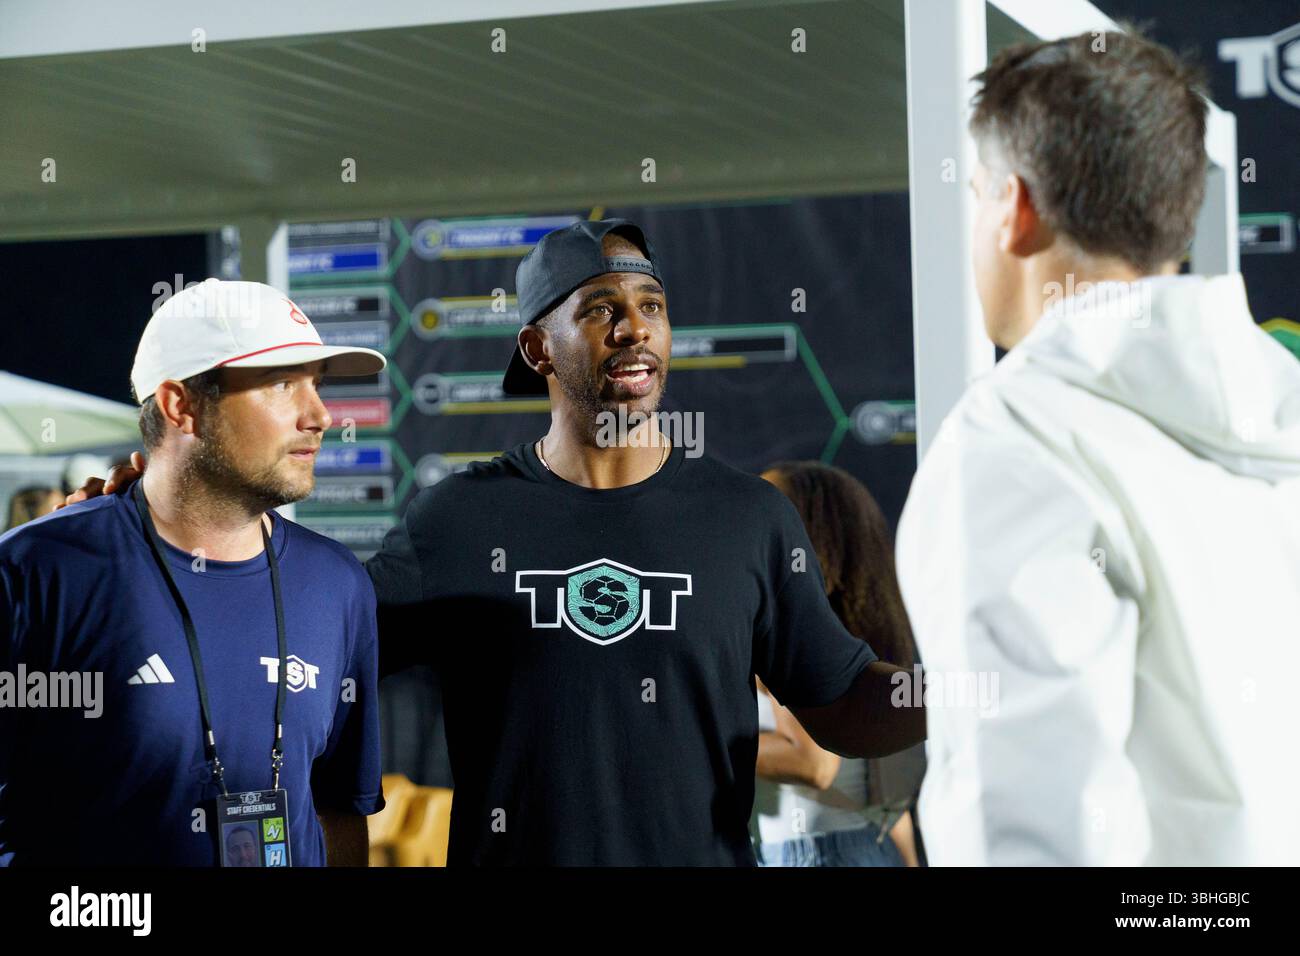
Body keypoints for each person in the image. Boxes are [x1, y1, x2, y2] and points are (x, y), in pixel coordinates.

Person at [70, 220, 926, 866]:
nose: (635, 328)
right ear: (536, 348)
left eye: (651, 307)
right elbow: (305, 624)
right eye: (601, 310)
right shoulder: (461, 521)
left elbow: (845, 704)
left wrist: (977, 683)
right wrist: (158, 509)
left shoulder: (748, 519)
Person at [895, 30, 1300, 865]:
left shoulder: (1016, 442)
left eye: (976, 193)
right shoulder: (1279, 415)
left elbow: (1035, 832)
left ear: (1014, 206)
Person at [0, 279, 387, 866]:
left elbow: (338, 807)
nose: (321, 416)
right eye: (282, 384)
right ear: (181, 405)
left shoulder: (337, 584)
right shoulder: (38, 573)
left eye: (318, 384)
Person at [753, 461, 924, 867]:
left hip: (813, 853)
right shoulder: (860, 631)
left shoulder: (796, 625)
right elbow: (887, 796)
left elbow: (812, 763)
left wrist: (694, 742)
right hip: (869, 845)